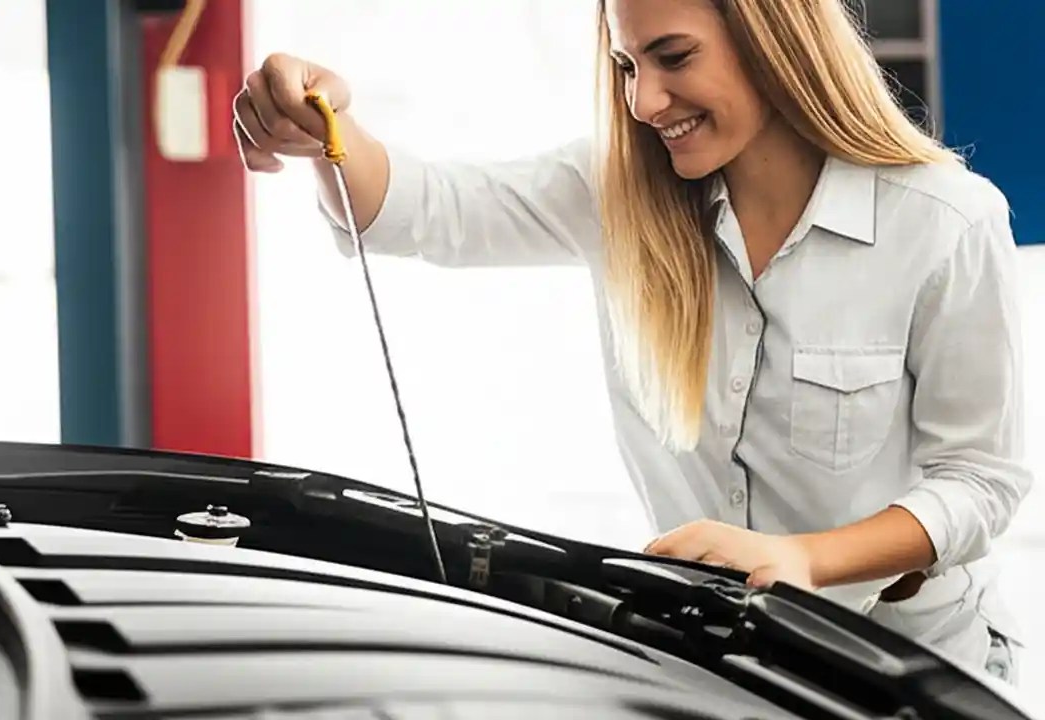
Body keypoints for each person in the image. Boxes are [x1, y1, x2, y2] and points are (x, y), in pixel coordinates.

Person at [231, 0, 1030, 684]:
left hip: (908, 666)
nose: (644, 100)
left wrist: (805, 558)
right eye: (624, 65)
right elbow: (427, 206)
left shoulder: (947, 223)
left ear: (773, 37)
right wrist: (323, 129)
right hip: (717, 664)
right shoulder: (615, 193)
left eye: (673, 56)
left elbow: (981, 483)